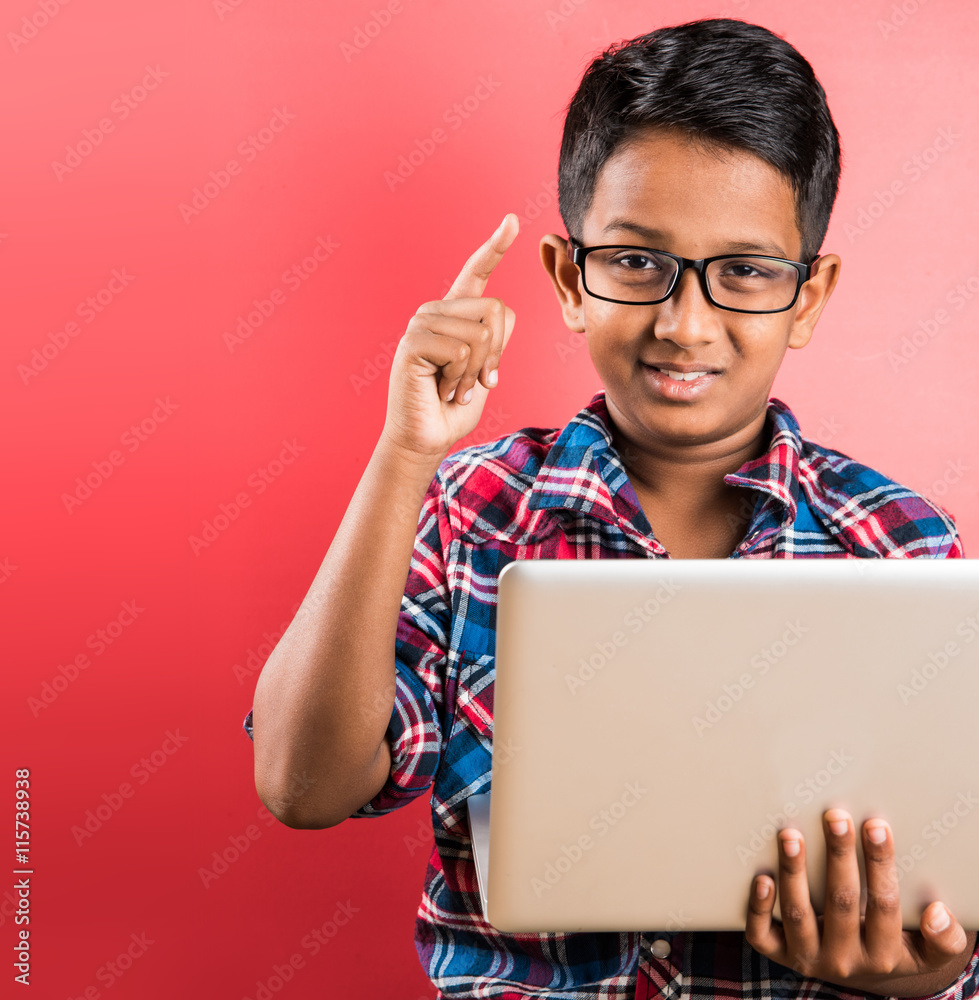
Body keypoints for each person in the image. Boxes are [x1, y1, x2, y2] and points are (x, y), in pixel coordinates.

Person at [244, 18, 979, 999]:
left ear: (808, 297)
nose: (684, 323)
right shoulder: (476, 511)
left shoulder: (899, 548)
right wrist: (406, 452)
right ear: (567, 278)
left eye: (747, 272)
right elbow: (302, 782)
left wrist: (917, 972)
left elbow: (949, 918)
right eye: (637, 263)